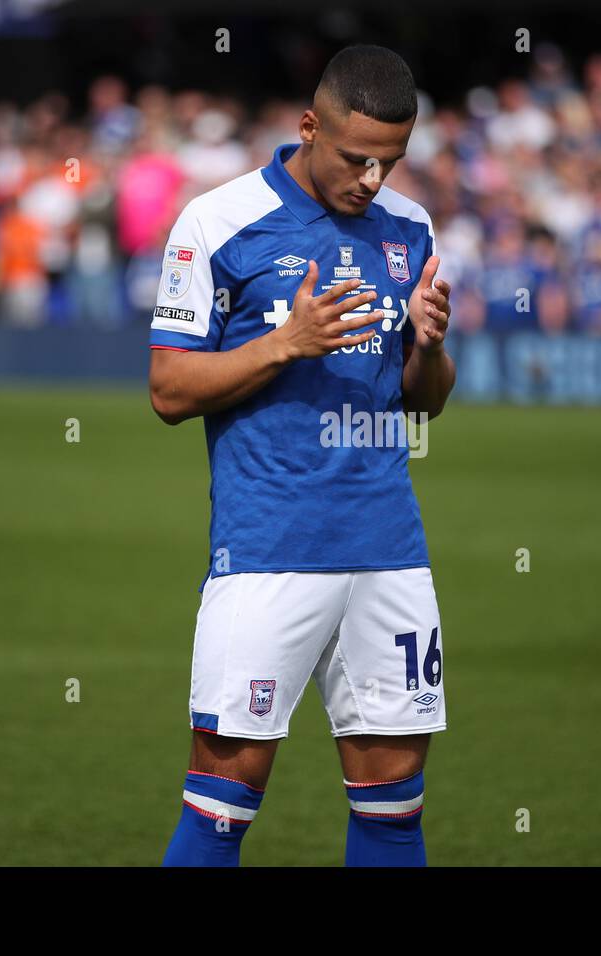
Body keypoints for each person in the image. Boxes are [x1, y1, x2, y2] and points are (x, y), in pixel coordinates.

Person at [148, 45, 455, 867]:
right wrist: (285, 344)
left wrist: (428, 347)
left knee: (395, 806)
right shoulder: (219, 222)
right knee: (220, 803)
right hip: (267, 551)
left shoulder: (412, 229)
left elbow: (424, 402)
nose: (373, 180)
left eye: (391, 162)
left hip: (388, 550)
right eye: (357, 158)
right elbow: (170, 390)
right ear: (309, 125)